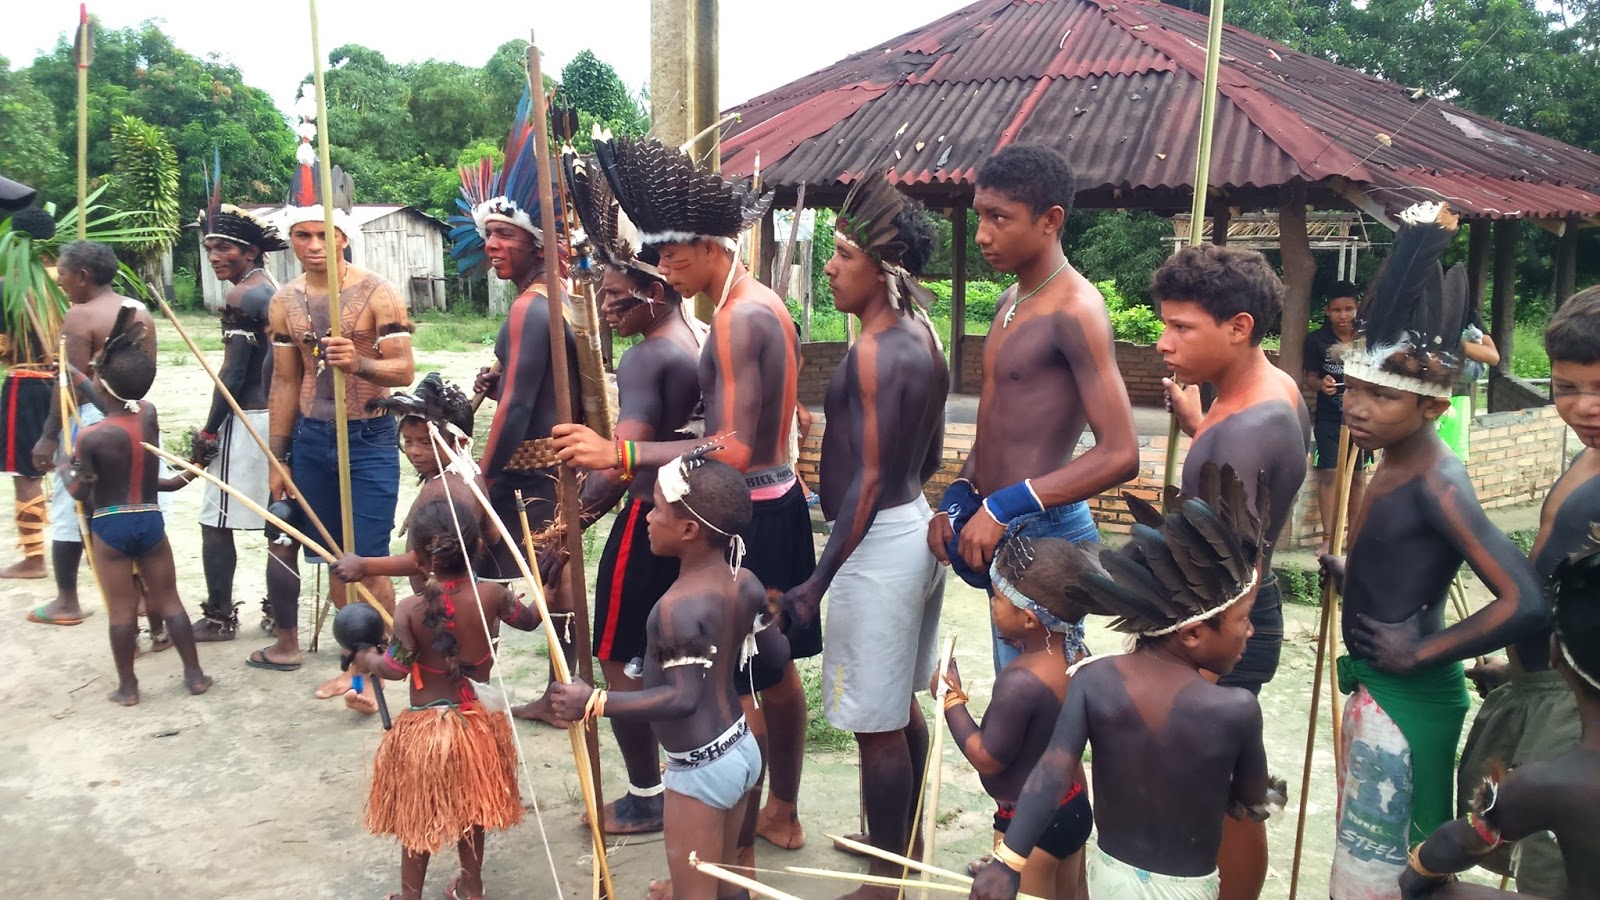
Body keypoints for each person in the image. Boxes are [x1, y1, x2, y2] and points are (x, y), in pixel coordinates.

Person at [553, 133, 817, 851]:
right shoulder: (759, 301)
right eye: (657, 254)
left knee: (740, 684)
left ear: (712, 243)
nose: (664, 268)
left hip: (749, 510)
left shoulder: (735, 318)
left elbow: (729, 446)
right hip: (777, 496)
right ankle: (780, 811)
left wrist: (622, 452)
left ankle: (729, 851)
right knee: (769, 665)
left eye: (674, 254)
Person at [1317, 203, 1547, 899]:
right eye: (1352, 388)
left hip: (1410, 697)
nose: (1355, 407)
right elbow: (1400, 561)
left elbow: (1526, 600)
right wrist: (1350, 572)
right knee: (1363, 851)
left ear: (1432, 409)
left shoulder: (1438, 479)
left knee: (1395, 869)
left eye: (1379, 396)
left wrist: (1419, 654)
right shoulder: (1387, 455)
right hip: (1378, 686)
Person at [970, 465, 1281, 900]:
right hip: (1185, 891)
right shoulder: (1236, 709)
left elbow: (1051, 774)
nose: (1251, 633)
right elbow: (1251, 796)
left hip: (1109, 880)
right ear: (1192, 633)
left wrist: (1010, 863)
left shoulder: (1093, 679)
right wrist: (1258, 788)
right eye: (1244, 620)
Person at [774, 169, 950, 893]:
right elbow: (931, 454)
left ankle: (885, 882)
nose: (831, 267)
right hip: (911, 530)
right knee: (898, 705)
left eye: (844, 255)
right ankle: (897, 847)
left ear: (883, 270)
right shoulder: (925, 335)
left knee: (877, 725)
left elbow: (871, 481)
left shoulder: (877, 352)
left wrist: (817, 583)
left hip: (876, 545)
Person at [924, 143, 1138, 676]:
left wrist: (1003, 507)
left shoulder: (1076, 311)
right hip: (997, 520)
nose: (982, 235)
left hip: (1045, 531)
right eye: (980, 216)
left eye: (1000, 218)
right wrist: (958, 497)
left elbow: (1121, 454)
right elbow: (1002, 425)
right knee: (1016, 696)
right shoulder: (1008, 303)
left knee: (1039, 709)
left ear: (1050, 221)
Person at [548, 449, 789, 900]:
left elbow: (681, 699)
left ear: (689, 530)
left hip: (701, 769)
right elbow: (776, 651)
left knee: (694, 894)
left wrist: (595, 702)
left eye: (657, 509)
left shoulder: (677, 609)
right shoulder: (745, 581)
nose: (647, 517)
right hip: (741, 747)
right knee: (725, 880)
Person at [1156, 242, 1309, 898]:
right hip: (1231, 613)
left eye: (1181, 327)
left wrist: (1186, 656)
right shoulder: (1262, 393)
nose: (1164, 343)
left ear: (1239, 327)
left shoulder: (1249, 429)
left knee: (1225, 792)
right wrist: (1201, 428)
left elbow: (1228, 561)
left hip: (1224, 625)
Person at [563, 151, 706, 834]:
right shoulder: (693, 334)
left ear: (658, 290)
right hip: (693, 519)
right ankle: (681, 780)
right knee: (676, 654)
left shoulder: (649, 354)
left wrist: (573, 519)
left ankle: (648, 794)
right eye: (604, 295)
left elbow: (621, 460)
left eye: (620, 297)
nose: (608, 306)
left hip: (649, 518)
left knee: (620, 658)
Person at [1450, 285, 1600, 896]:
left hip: (1578, 711)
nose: (1586, 406)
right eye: (1567, 388)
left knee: (1552, 866)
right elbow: (1549, 583)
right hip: (1540, 686)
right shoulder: (1587, 457)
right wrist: (1519, 668)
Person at [260, 145, 415, 707]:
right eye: (303, 236)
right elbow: (282, 382)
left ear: (344, 236)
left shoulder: (378, 292)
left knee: (367, 554)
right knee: (332, 556)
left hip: (369, 436)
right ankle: (356, 670)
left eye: (325, 234)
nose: (315, 245)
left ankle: (381, 672)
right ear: (292, 241)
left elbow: (403, 370)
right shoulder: (283, 301)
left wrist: (361, 362)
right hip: (311, 439)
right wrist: (279, 459)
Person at [458, 87, 584, 728]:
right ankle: (551, 689)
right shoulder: (550, 301)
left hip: (532, 471)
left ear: (536, 242)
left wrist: (480, 478)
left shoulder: (532, 306)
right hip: (546, 468)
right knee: (547, 576)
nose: (494, 247)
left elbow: (515, 406)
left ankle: (474, 688)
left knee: (509, 572)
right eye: (489, 237)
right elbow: (521, 381)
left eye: (506, 235)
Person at [352, 499, 538, 900]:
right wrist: (550, 582)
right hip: (477, 729)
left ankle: (410, 896)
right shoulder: (495, 595)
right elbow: (530, 620)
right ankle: (472, 889)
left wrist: (366, 657)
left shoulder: (408, 609)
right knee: (474, 812)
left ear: (419, 559)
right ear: (474, 549)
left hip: (425, 735)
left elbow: (396, 668)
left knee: (417, 819)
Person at [1400, 540, 1600, 900]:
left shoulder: (1550, 785)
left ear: (1554, 651)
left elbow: (1453, 844)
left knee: (1448, 895)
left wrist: (1420, 873)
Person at [63, 301, 212, 705]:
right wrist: (78, 374)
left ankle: (128, 687)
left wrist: (63, 467)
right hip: (149, 519)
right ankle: (194, 675)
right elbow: (114, 397)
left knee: (121, 612)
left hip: (110, 526)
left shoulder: (90, 438)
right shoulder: (148, 414)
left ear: (102, 381)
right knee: (170, 600)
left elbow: (80, 493)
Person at [942, 536, 1093, 899]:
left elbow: (987, 758)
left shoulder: (1020, 680)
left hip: (1026, 828)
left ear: (1028, 619)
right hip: (1072, 805)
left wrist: (951, 698)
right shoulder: (1076, 658)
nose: (993, 604)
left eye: (998, 598)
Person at [28, 241, 158, 626]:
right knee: (132, 501)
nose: (61, 282)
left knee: (73, 508)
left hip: (90, 420)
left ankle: (67, 600)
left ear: (82, 277)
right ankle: (141, 599)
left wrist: (50, 437)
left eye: (64, 275)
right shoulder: (140, 310)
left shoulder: (80, 316)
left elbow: (68, 384)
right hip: (137, 418)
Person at [190, 161, 290, 641]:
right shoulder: (270, 289)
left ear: (251, 250)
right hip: (277, 416)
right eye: (210, 247)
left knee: (216, 520)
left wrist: (210, 432)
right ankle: (276, 612)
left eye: (223, 247)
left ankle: (219, 616)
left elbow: (232, 372)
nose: (214, 256)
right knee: (278, 521)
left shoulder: (245, 297)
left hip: (249, 419)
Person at [329, 374, 499, 597]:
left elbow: (424, 559)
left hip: (442, 601)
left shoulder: (445, 490)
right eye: (408, 441)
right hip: (463, 588)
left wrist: (364, 566)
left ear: (461, 443)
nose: (414, 451)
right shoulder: (470, 473)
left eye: (426, 443)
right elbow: (492, 533)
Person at [0, 205, 62, 581]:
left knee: (27, 472)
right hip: (71, 383)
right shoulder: (74, 278)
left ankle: (35, 559)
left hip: (26, 384)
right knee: (82, 468)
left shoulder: (9, 286)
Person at [1302, 282, 1368, 552]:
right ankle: (1329, 538)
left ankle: (1356, 536)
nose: (1343, 315)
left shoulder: (1369, 338)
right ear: (1327, 312)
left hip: (1363, 417)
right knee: (1329, 473)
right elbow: (1310, 378)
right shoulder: (1316, 340)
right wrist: (1322, 385)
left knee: (1359, 476)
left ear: (1357, 308)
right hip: (1330, 418)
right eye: (1337, 310)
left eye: (1349, 309)